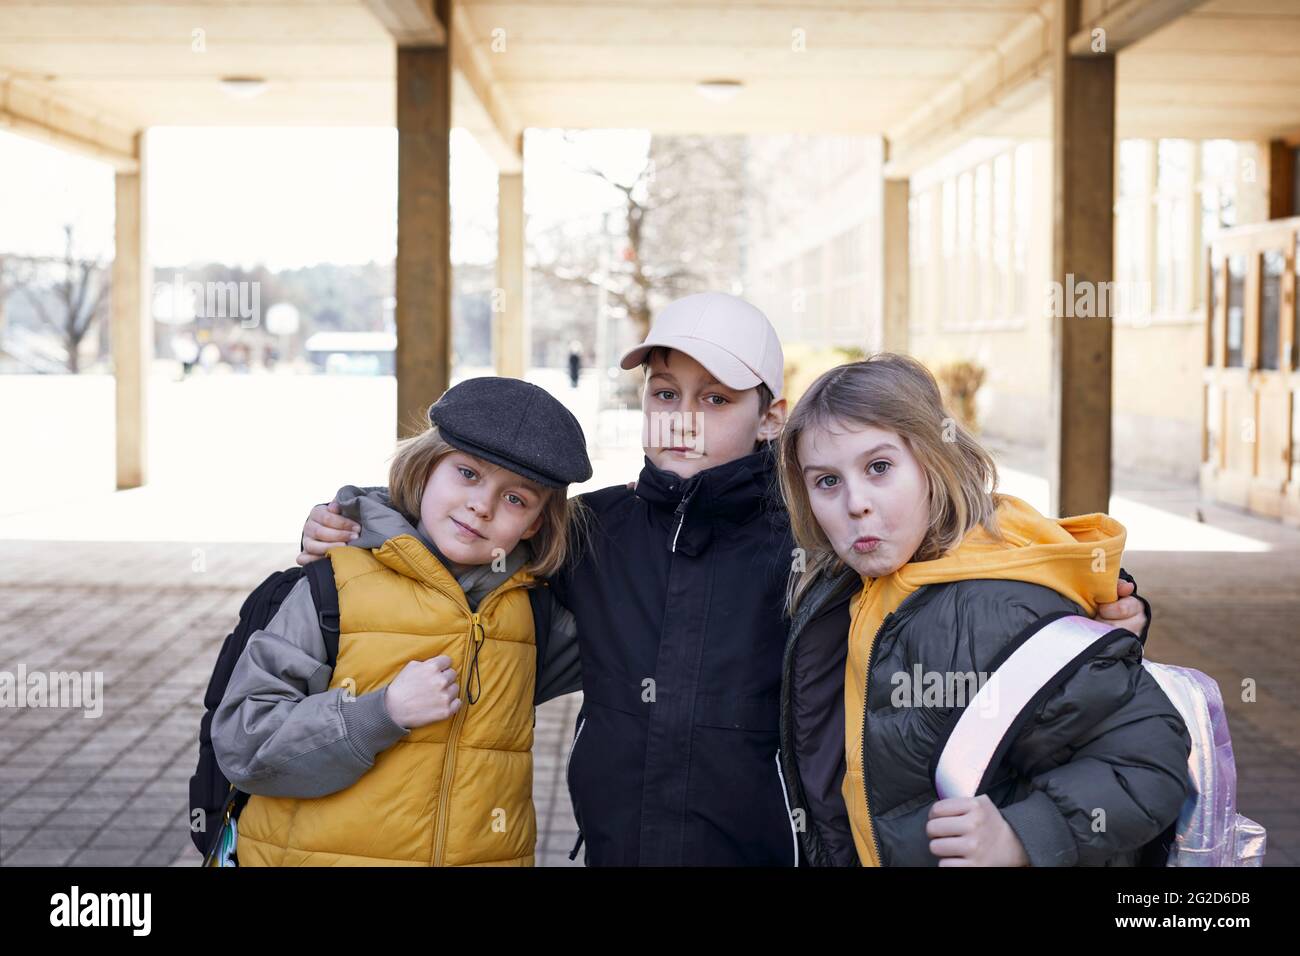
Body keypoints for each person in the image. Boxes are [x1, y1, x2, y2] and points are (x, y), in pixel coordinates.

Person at [299, 293, 1153, 866]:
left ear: (770, 418)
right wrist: (360, 524)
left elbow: (962, 575)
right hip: (618, 847)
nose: (683, 417)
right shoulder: (591, 529)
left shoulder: (820, 539)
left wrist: (1091, 606)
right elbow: (463, 548)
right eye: (666, 391)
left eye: (716, 400)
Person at [775, 354, 1189, 865]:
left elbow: (1149, 764)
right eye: (827, 481)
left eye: (879, 467)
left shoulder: (1006, 608)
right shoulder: (845, 588)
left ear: (933, 463)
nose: (854, 502)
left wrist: (1024, 834)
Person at [211, 377, 591, 866]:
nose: (483, 505)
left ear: (536, 524)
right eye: (467, 473)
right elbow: (247, 744)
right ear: (426, 468)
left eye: (516, 499)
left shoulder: (535, 614)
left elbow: (650, 612)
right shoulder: (333, 585)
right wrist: (380, 714)